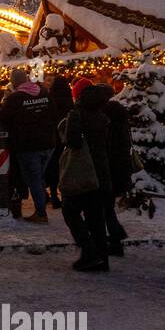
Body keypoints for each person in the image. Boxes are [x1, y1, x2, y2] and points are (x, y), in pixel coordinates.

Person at [59, 84, 112, 271]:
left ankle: (89, 251)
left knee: (70, 211)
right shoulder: (103, 117)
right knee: (96, 217)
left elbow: (72, 141)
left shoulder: (76, 115)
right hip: (101, 172)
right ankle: (102, 258)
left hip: (81, 171)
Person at [0, 67, 57, 224]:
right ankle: (41, 206)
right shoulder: (43, 92)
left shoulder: (15, 98)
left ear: (14, 82)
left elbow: (2, 118)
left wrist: (6, 100)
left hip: (28, 145)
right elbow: (54, 113)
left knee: (34, 179)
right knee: (39, 177)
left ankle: (41, 213)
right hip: (48, 143)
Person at [96, 84, 132, 257]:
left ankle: (115, 239)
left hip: (109, 168)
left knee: (105, 206)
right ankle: (115, 235)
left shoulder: (104, 118)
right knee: (106, 205)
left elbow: (105, 146)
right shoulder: (120, 116)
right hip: (120, 167)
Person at [44, 74, 74, 209]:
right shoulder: (69, 100)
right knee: (65, 166)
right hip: (65, 138)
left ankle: (53, 195)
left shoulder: (51, 99)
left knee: (52, 166)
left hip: (53, 137)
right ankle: (65, 194)